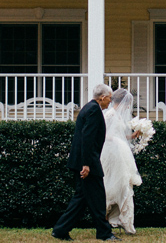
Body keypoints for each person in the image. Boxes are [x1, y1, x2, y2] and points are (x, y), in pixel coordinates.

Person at [52, 84, 121, 242]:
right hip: (87, 162)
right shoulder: (93, 110)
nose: (110, 101)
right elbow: (87, 138)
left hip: (84, 160)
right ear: (102, 97)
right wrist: (86, 164)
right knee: (97, 198)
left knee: (81, 199)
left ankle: (60, 230)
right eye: (109, 98)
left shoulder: (89, 108)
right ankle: (104, 233)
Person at [101, 88, 142, 235]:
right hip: (112, 154)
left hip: (120, 153)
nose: (128, 107)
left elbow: (119, 135)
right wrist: (120, 142)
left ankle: (124, 220)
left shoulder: (118, 116)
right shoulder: (110, 115)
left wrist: (132, 136)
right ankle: (106, 222)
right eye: (128, 103)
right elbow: (105, 135)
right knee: (112, 184)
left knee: (124, 184)